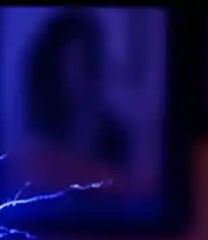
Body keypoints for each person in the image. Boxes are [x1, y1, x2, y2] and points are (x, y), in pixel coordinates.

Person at [15, 9, 132, 188]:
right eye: (75, 61)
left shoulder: (115, 137)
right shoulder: (35, 153)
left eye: (90, 58)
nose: (87, 70)